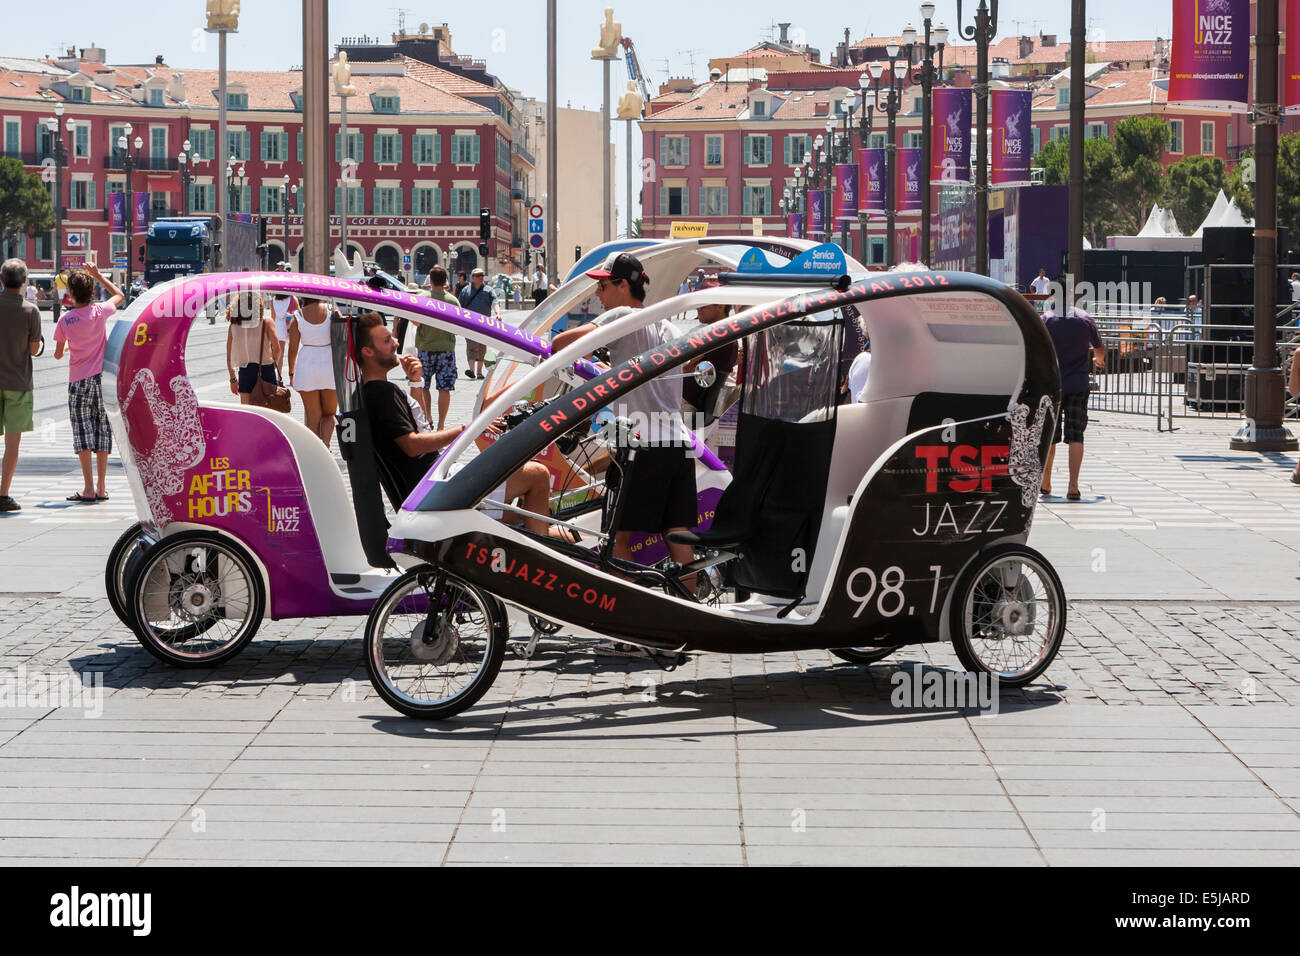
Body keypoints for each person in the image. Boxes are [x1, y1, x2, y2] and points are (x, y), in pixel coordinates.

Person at [353, 311, 567, 538]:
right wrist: (469, 428)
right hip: (437, 489)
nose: (396, 343)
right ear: (368, 351)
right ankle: (547, 555)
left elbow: (420, 426)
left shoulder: (375, 391)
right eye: (387, 340)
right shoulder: (381, 394)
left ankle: (562, 548)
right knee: (537, 475)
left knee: (521, 518)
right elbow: (412, 445)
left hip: (434, 482)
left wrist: (416, 382)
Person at [551, 252, 698, 581]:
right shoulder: (668, 326)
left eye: (603, 286)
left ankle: (630, 609)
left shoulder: (621, 316)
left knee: (616, 540)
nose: (598, 294)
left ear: (622, 286)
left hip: (640, 448)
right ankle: (689, 607)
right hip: (677, 444)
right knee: (678, 539)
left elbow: (561, 344)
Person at [53, 264, 122, 503]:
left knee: (82, 432)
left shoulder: (65, 320)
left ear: (71, 293)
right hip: (102, 380)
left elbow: (58, 354)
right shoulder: (100, 311)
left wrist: (68, 347)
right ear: (92, 291)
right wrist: (99, 275)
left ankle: (88, 488)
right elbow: (119, 295)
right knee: (103, 430)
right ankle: (102, 487)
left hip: (78, 381)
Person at [1042, 299, 1105, 500]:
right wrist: (1098, 360)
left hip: (1052, 385)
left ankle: (1046, 482)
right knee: (1076, 435)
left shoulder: (1045, 320)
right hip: (1078, 385)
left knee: (1049, 435)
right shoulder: (1085, 319)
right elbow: (1099, 348)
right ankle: (1073, 486)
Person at [0, 259, 42, 512]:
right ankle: (3, 494)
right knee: (12, 444)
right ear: (25, 281)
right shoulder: (30, 311)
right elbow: (34, 349)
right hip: (18, 383)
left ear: (1, 280)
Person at [414, 265, 460, 430]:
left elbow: (416, 321)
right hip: (446, 349)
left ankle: (428, 417)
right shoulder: (453, 301)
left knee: (423, 386)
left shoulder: (423, 298)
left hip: (426, 348)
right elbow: (458, 327)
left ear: (431, 281)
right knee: (444, 388)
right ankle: (441, 425)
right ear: (445, 281)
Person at [288, 297, 337, 447]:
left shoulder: (298, 315)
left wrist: (291, 373)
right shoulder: (332, 311)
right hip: (329, 364)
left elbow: (292, 350)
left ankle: (315, 450)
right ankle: (326, 445)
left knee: (312, 416)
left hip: (307, 365)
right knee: (330, 414)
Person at [224, 292, 281, 407]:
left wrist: (233, 379)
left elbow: (229, 357)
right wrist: (273, 365)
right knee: (269, 411)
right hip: (266, 369)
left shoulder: (233, 326)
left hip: (245, 372)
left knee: (248, 411)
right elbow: (277, 348)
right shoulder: (266, 322)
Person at [458, 267, 498, 380]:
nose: (480, 277)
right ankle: (471, 370)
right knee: (471, 347)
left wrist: (498, 313)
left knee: (481, 347)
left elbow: (495, 302)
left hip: (484, 325)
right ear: (472, 277)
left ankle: (479, 372)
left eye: (482, 275)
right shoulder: (465, 291)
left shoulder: (488, 290)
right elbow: (459, 307)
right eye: (478, 275)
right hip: (469, 324)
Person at [268, 291, 300, 382]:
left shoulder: (273, 300)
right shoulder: (292, 298)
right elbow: (298, 314)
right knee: (293, 351)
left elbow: (273, 316)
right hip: (290, 325)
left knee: (279, 355)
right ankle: (292, 374)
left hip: (278, 327)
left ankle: (279, 378)